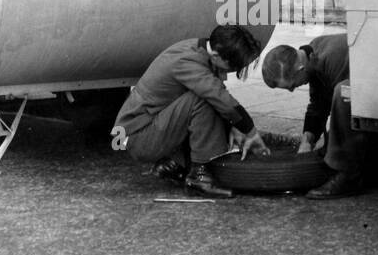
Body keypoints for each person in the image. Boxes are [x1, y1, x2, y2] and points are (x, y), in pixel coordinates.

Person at [115, 25, 270, 198]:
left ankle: (173, 164)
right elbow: (218, 97)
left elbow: (217, 91)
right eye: (232, 66)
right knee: (203, 99)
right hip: (138, 136)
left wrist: (234, 126)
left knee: (211, 99)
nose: (234, 70)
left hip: (145, 126)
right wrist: (250, 131)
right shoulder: (187, 61)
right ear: (217, 55)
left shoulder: (201, 50)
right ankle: (199, 177)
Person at [261, 32, 378, 199]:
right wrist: (307, 140)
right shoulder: (310, 56)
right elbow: (318, 104)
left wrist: (335, 154)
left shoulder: (331, 58)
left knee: (344, 93)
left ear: (300, 69)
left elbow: (346, 112)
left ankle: (349, 177)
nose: (293, 89)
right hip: (369, 85)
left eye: (292, 85)